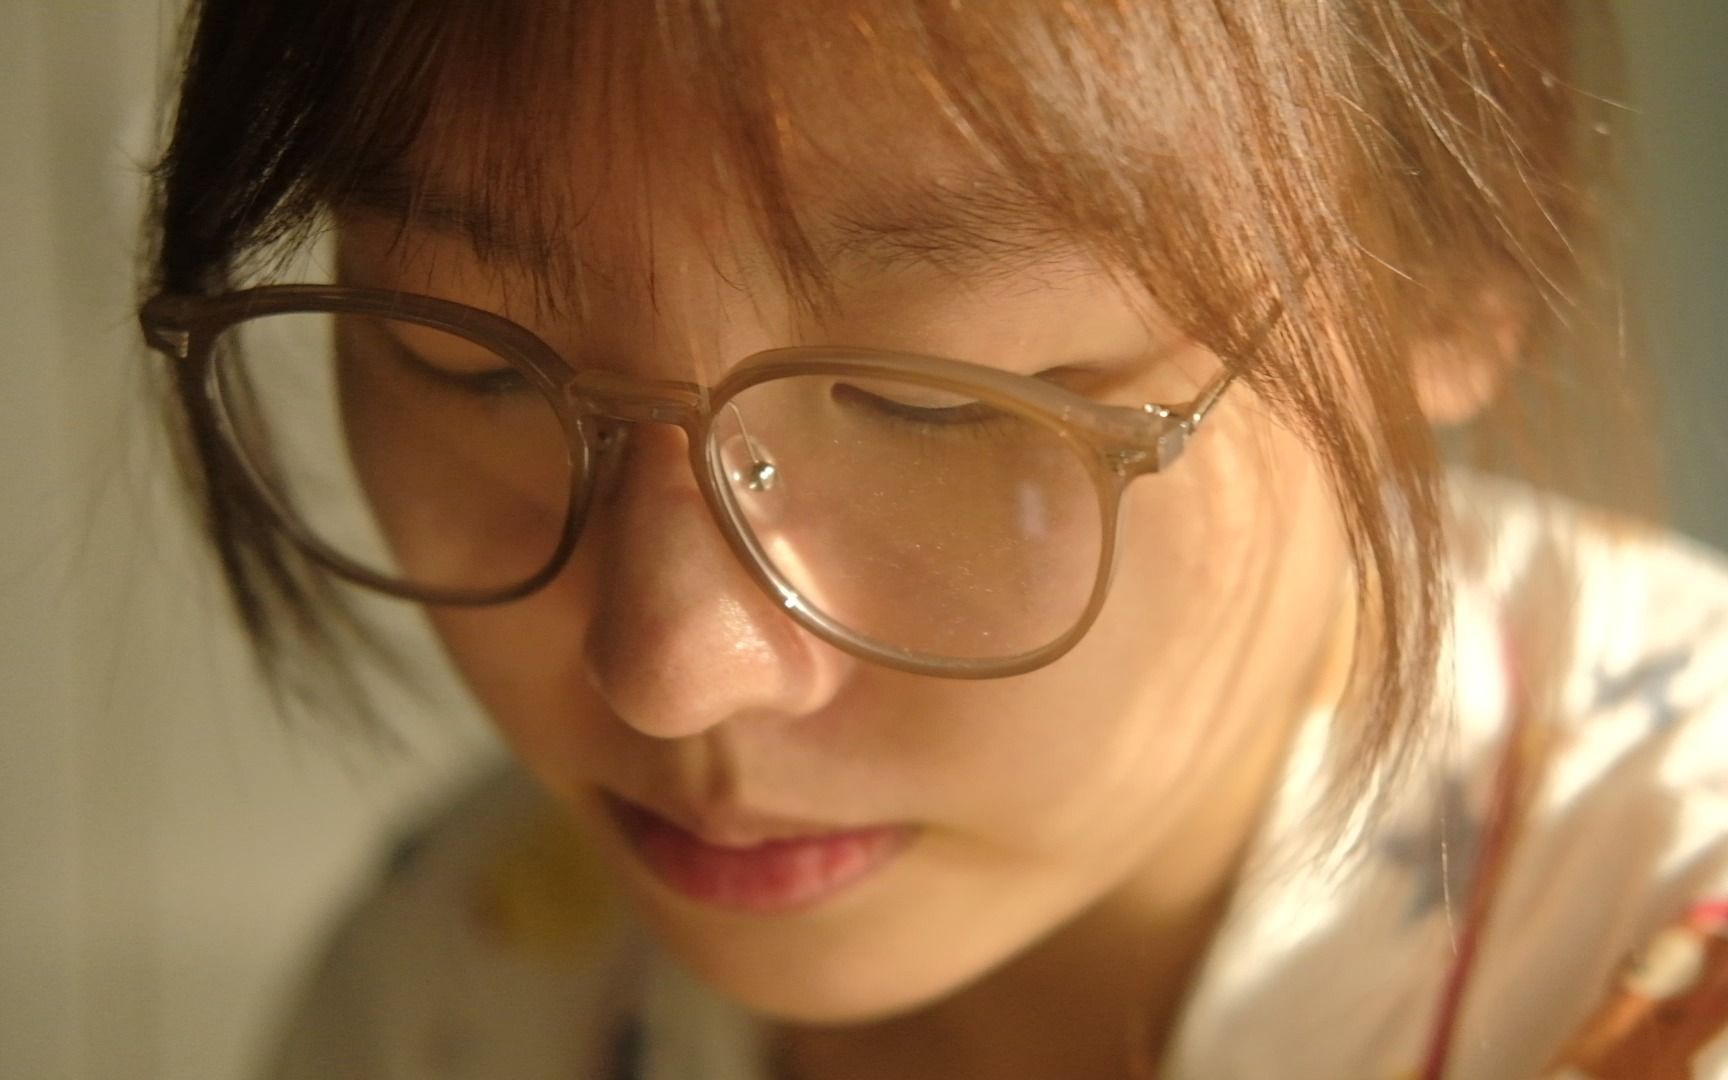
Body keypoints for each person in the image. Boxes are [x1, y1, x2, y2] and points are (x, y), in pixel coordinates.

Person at [138, 2, 1727, 1077]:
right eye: (466, 358)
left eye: (934, 401)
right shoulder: (474, 971)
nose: (673, 672)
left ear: (1442, 283)